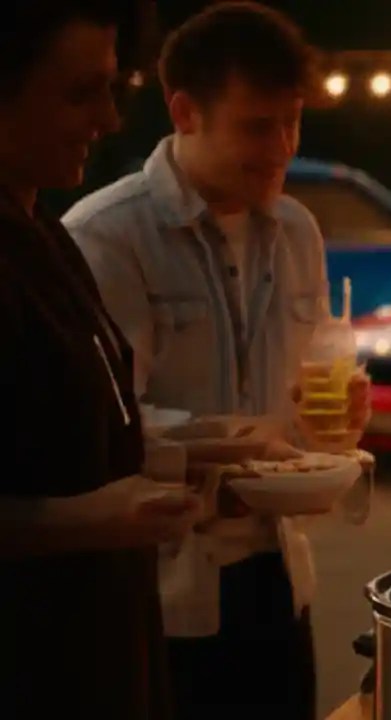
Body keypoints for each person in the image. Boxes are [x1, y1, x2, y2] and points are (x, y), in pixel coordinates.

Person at [63, 3, 367, 718]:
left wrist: (338, 422)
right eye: (258, 127)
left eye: (293, 122)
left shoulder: (297, 229)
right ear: (185, 111)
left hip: (281, 578)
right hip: (166, 595)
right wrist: (228, 461)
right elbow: (107, 428)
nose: (283, 147)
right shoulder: (108, 236)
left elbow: (310, 413)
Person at [0, 1, 203, 718]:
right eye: (80, 94)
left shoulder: (45, 235)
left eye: (114, 90)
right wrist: (90, 520)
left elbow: (73, 433)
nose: (111, 122)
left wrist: (209, 459)